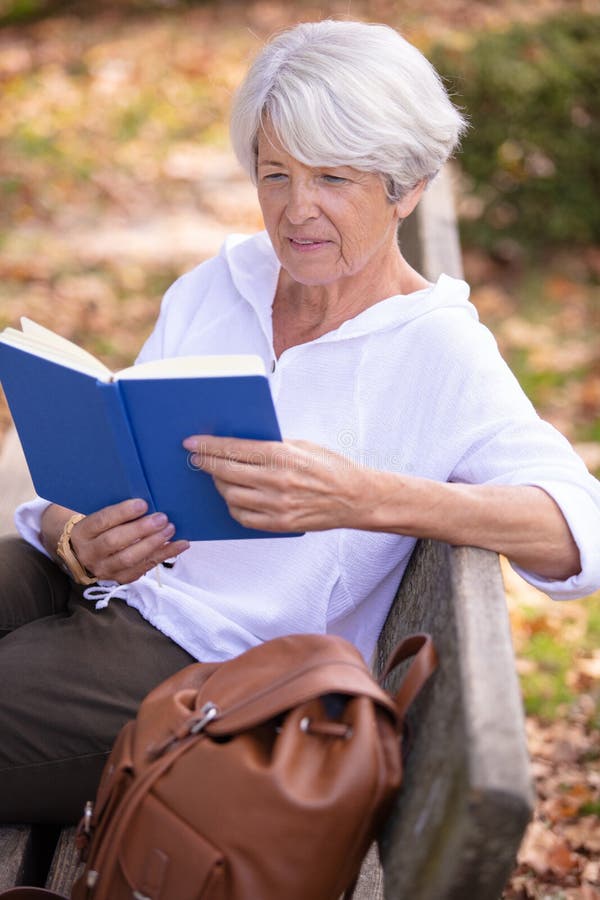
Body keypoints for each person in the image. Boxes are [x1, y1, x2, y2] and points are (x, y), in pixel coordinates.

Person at [1, 19, 599, 825]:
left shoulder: (438, 349)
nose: (296, 211)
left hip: (215, 672)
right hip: (102, 585)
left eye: (333, 179)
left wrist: (363, 497)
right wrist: (78, 535)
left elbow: (582, 534)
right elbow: (111, 465)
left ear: (408, 186)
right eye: (275, 174)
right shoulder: (219, 284)